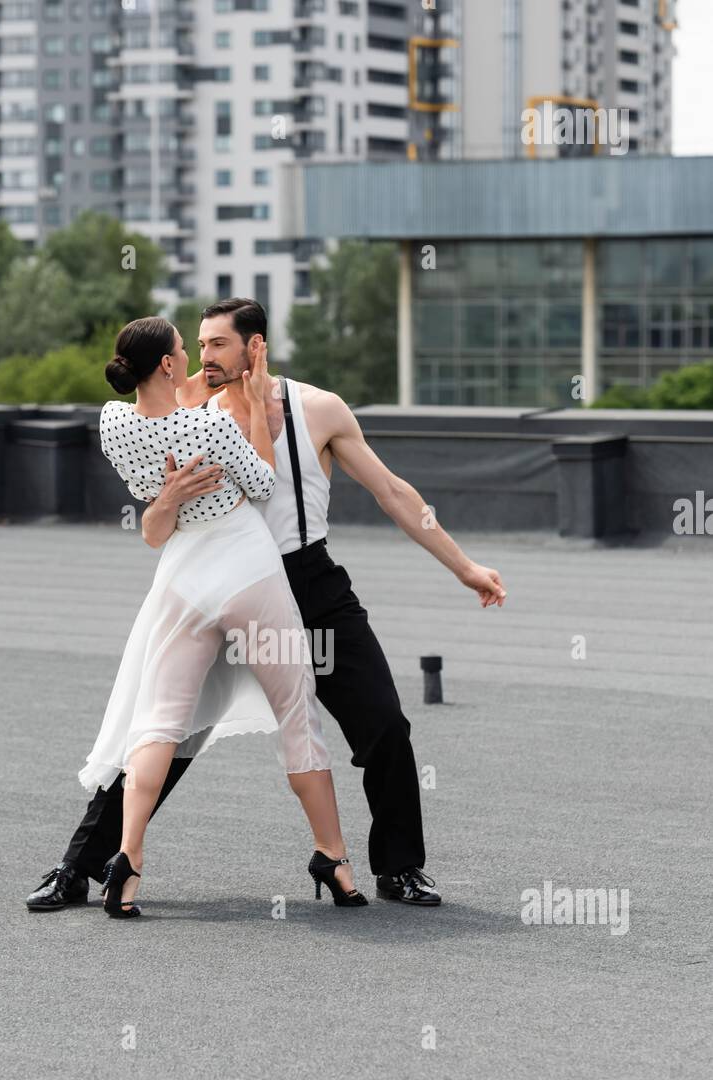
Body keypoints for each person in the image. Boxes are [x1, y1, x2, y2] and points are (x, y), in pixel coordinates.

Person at [27, 298, 506, 914]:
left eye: (218, 345)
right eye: (198, 345)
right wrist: (167, 497)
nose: (205, 358)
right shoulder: (190, 414)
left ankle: (400, 867)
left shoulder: (320, 409)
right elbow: (156, 523)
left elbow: (391, 492)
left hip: (308, 589)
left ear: (255, 347)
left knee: (384, 724)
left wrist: (464, 566)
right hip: (222, 588)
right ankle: (77, 869)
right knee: (161, 736)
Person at [72, 315, 365, 917]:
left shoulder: (114, 424)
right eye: (186, 348)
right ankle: (332, 857)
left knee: (157, 722)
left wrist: (171, 495)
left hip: (183, 573)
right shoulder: (209, 422)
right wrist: (256, 407)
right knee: (295, 708)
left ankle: (128, 859)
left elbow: (155, 516)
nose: (194, 355)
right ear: (170, 366)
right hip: (244, 564)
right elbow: (262, 484)